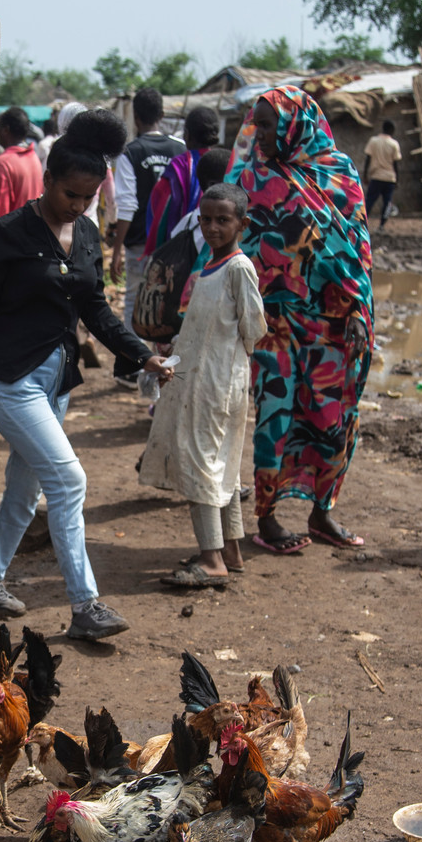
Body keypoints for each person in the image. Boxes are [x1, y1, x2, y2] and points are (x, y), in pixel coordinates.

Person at [0, 110, 176, 641]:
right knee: (69, 480)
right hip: (8, 382)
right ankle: (86, 605)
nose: (79, 207)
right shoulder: (6, 235)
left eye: (89, 198)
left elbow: (98, 312)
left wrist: (142, 354)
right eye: (70, 195)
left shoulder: (84, 233)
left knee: (23, 491)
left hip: (55, 382)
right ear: (48, 181)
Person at [225, 86, 374, 555]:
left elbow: (356, 250)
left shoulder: (339, 174)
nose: (260, 134)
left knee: (332, 419)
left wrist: (356, 307)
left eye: (268, 125)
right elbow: (230, 246)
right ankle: (266, 519)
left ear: (297, 124)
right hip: (275, 323)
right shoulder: (248, 179)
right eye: (258, 124)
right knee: (275, 418)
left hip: (331, 323)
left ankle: (322, 511)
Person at [138, 184, 267, 587]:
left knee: (201, 465)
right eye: (206, 219)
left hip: (216, 384)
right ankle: (229, 550)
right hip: (198, 379)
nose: (212, 227)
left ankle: (212, 561)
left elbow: (254, 327)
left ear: (241, 224)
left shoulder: (238, 268)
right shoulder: (208, 266)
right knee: (220, 464)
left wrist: (222, 364)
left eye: (222, 220)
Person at [109, 87, 184, 385]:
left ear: (135, 117)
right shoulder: (180, 148)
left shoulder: (130, 152)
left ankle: (133, 366)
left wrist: (116, 248)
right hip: (176, 243)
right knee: (171, 302)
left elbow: (126, 204)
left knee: (134, 301)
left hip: (141, 241)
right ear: (162, 115)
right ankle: (170, 364)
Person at [145, 105, 221, 255]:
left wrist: (157, 251)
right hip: (216, 247)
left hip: (182, 250)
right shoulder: (225, 163)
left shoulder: (180, 167)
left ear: (186, 134)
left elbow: (161, 210)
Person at [0, 108, 44, 222]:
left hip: (11, 235)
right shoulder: (33, 158)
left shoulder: (3, 162)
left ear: (5, 130)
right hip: (32, 231)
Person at [361, 119, 401, 229]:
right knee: (387, 203)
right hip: (389, 178)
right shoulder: (394, 144)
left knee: (369, 201)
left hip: (376, 176)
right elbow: (395, 164)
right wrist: (397, 179)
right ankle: (382, 225)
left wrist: (365, 175)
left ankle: (363, 223)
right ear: (391, 130)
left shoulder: (373, 141)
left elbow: (368, 159)